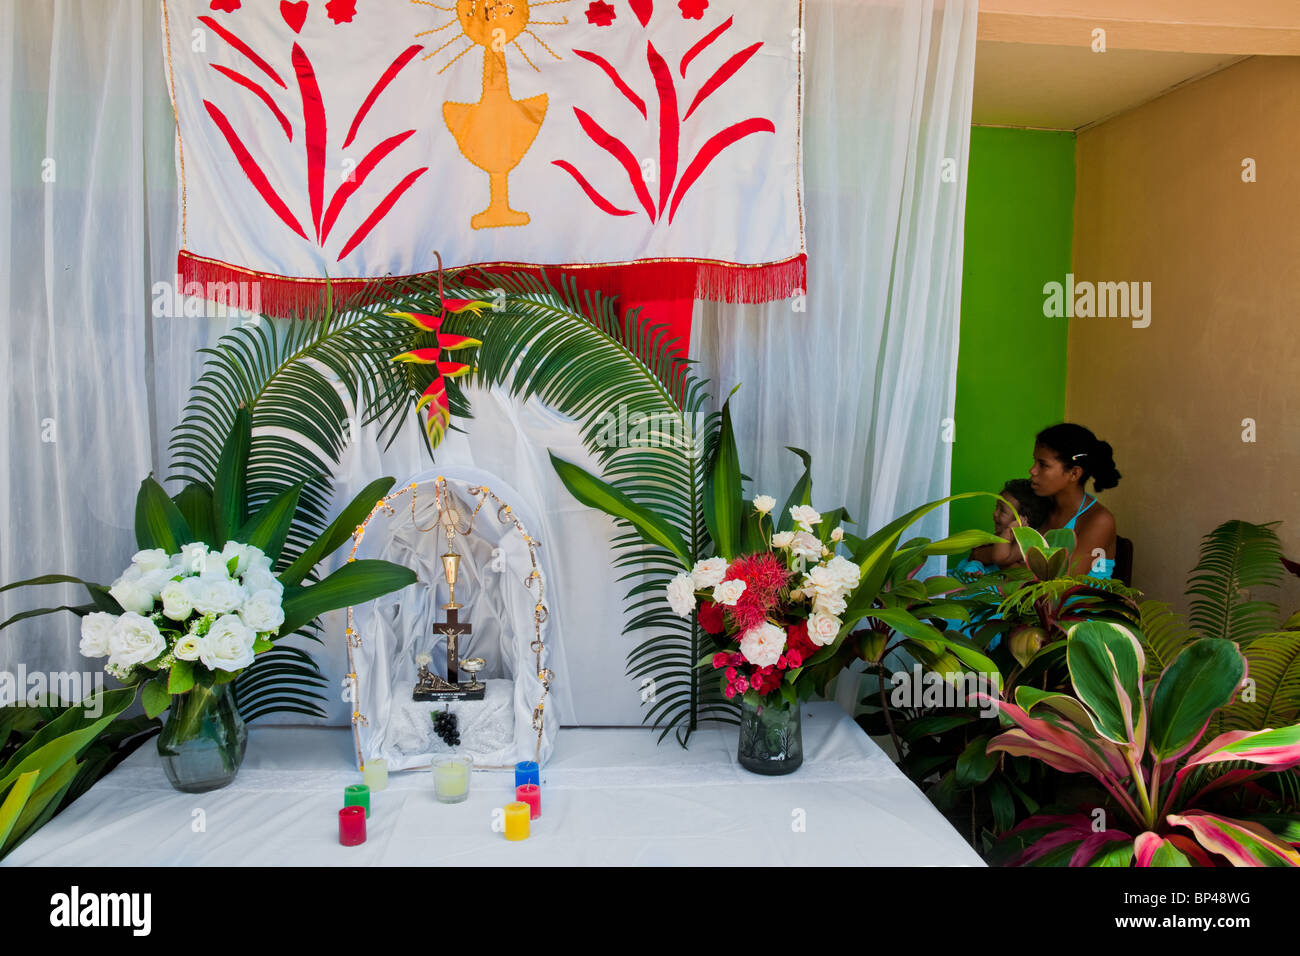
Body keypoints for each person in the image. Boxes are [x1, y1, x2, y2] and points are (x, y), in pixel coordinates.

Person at [1029, 423, 1121, 578]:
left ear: (1074, 473)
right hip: (1033, 598)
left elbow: (1059, 582)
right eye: (1034, 461)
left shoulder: (1100, 520)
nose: (1032, 470)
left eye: (1042, 465)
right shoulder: (1043, 505)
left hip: (1074, 601)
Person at [958, 478, 1052, 576]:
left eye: (1002, 510)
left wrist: (1008, 531)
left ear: (1021, 521)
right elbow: (976, 554)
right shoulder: (999, 536)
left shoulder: (1025, 543)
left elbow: (1000, 557)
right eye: (996, 507)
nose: (995, 514)